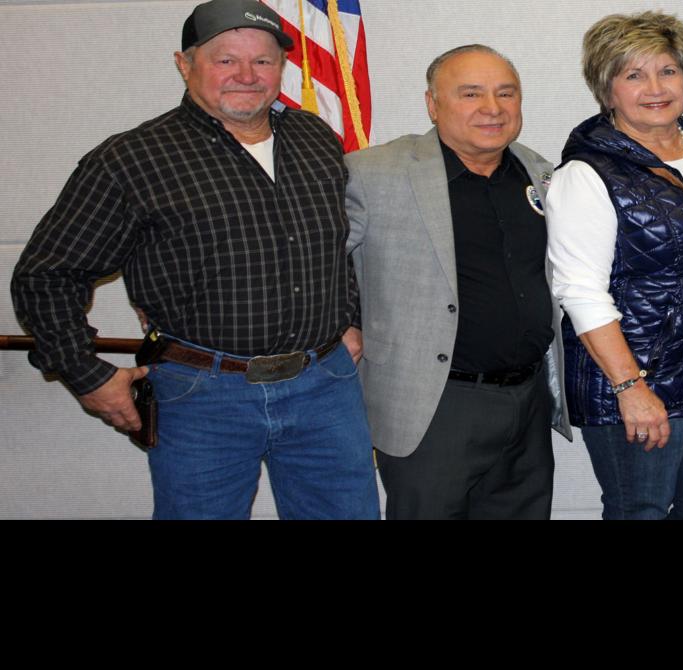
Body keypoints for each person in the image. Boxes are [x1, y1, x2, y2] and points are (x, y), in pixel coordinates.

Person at [8, 0, 377, 519]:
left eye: (263, 61)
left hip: (325, 389)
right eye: (226, 60)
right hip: (203, 395)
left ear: (282, 68)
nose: (247, 76)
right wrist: (84, 373)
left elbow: (340, 244)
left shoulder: (315, 138)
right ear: (185, 65)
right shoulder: (133, 159)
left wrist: (351, 320)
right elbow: (47, 276)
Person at [546, 11, 683, 519]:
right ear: (606, 90)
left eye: (667, 71)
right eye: (633, 75)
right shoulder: (587, 173)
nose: (655, 88)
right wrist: (631, 389)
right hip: (640, 377)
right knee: (639, 510)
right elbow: (580, 292)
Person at [344, 45, 572, 520]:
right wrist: (341, 324)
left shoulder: (541, 172)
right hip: (435, 407)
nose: (493, 108)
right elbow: (319, 260)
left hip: (527, 401)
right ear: (433, 103)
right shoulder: (374, 172)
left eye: (506, 93)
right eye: (471, 93)